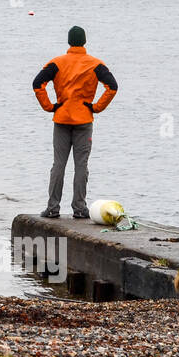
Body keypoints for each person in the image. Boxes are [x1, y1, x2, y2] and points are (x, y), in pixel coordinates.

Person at [31, 25, 118, 219]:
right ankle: (79, 208)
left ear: (69, 41)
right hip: (84, 120)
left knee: (58, 165)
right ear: (84, 41)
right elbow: (112, 86)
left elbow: (37, 83)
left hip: (61, 118)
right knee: (81, 166)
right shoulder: (95, 64)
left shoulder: (57, 62)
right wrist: (96, 107)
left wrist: (49, 106)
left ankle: (53, 208)